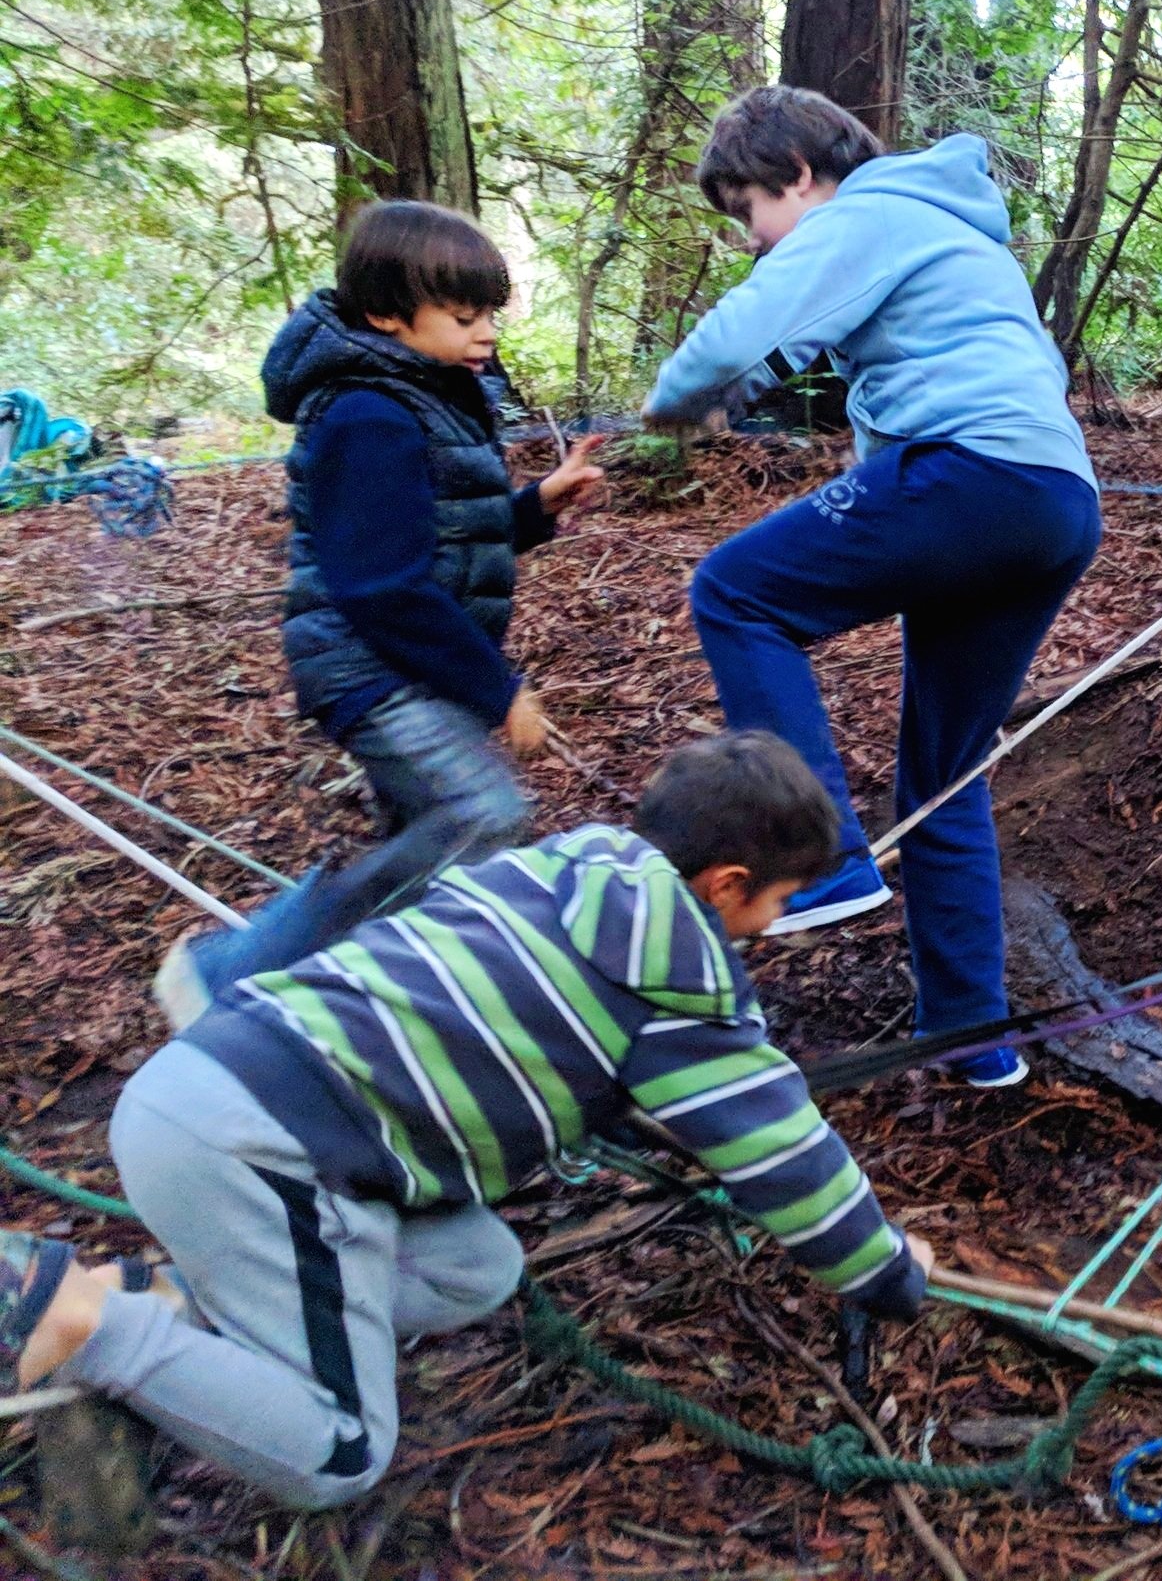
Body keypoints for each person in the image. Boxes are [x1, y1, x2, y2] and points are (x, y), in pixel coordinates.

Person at [1, 732, 931, 1513]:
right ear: (727, 885)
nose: (772, 925)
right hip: (262, 1152)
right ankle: (85, 1319)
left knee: (472, 1266)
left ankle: (180, 1299)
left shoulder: (550, 871)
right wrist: (886, 1272)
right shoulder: (679, 985)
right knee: (338, 1455)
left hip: (212, 1086)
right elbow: (789, 1161)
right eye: (777, 900)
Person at [643, 86, 1103, 1089]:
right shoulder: (942, 231)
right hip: (1052, 501)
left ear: (798, 174)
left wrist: (671, 401)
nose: (749, 239)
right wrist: (739, 395)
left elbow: (746, 329)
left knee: (734, 590)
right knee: (942, 774)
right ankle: (970, 1035)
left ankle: (820, 859)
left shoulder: (863, 213)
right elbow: (800, 342)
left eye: (749, 211)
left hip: (967, 476)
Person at [157, 201, 605, 1024]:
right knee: (482, 816)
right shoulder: (370, 415)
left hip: (405, 663)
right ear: (385, 316)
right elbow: (380, 584)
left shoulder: (418, 394)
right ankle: (229, 972)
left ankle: (381, 1014)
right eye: (464, 317)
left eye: (490, 316)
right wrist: (498, 690)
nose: (485, 336)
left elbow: (435, 537)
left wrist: (535, 505)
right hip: (373, 670)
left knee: (430, 844)